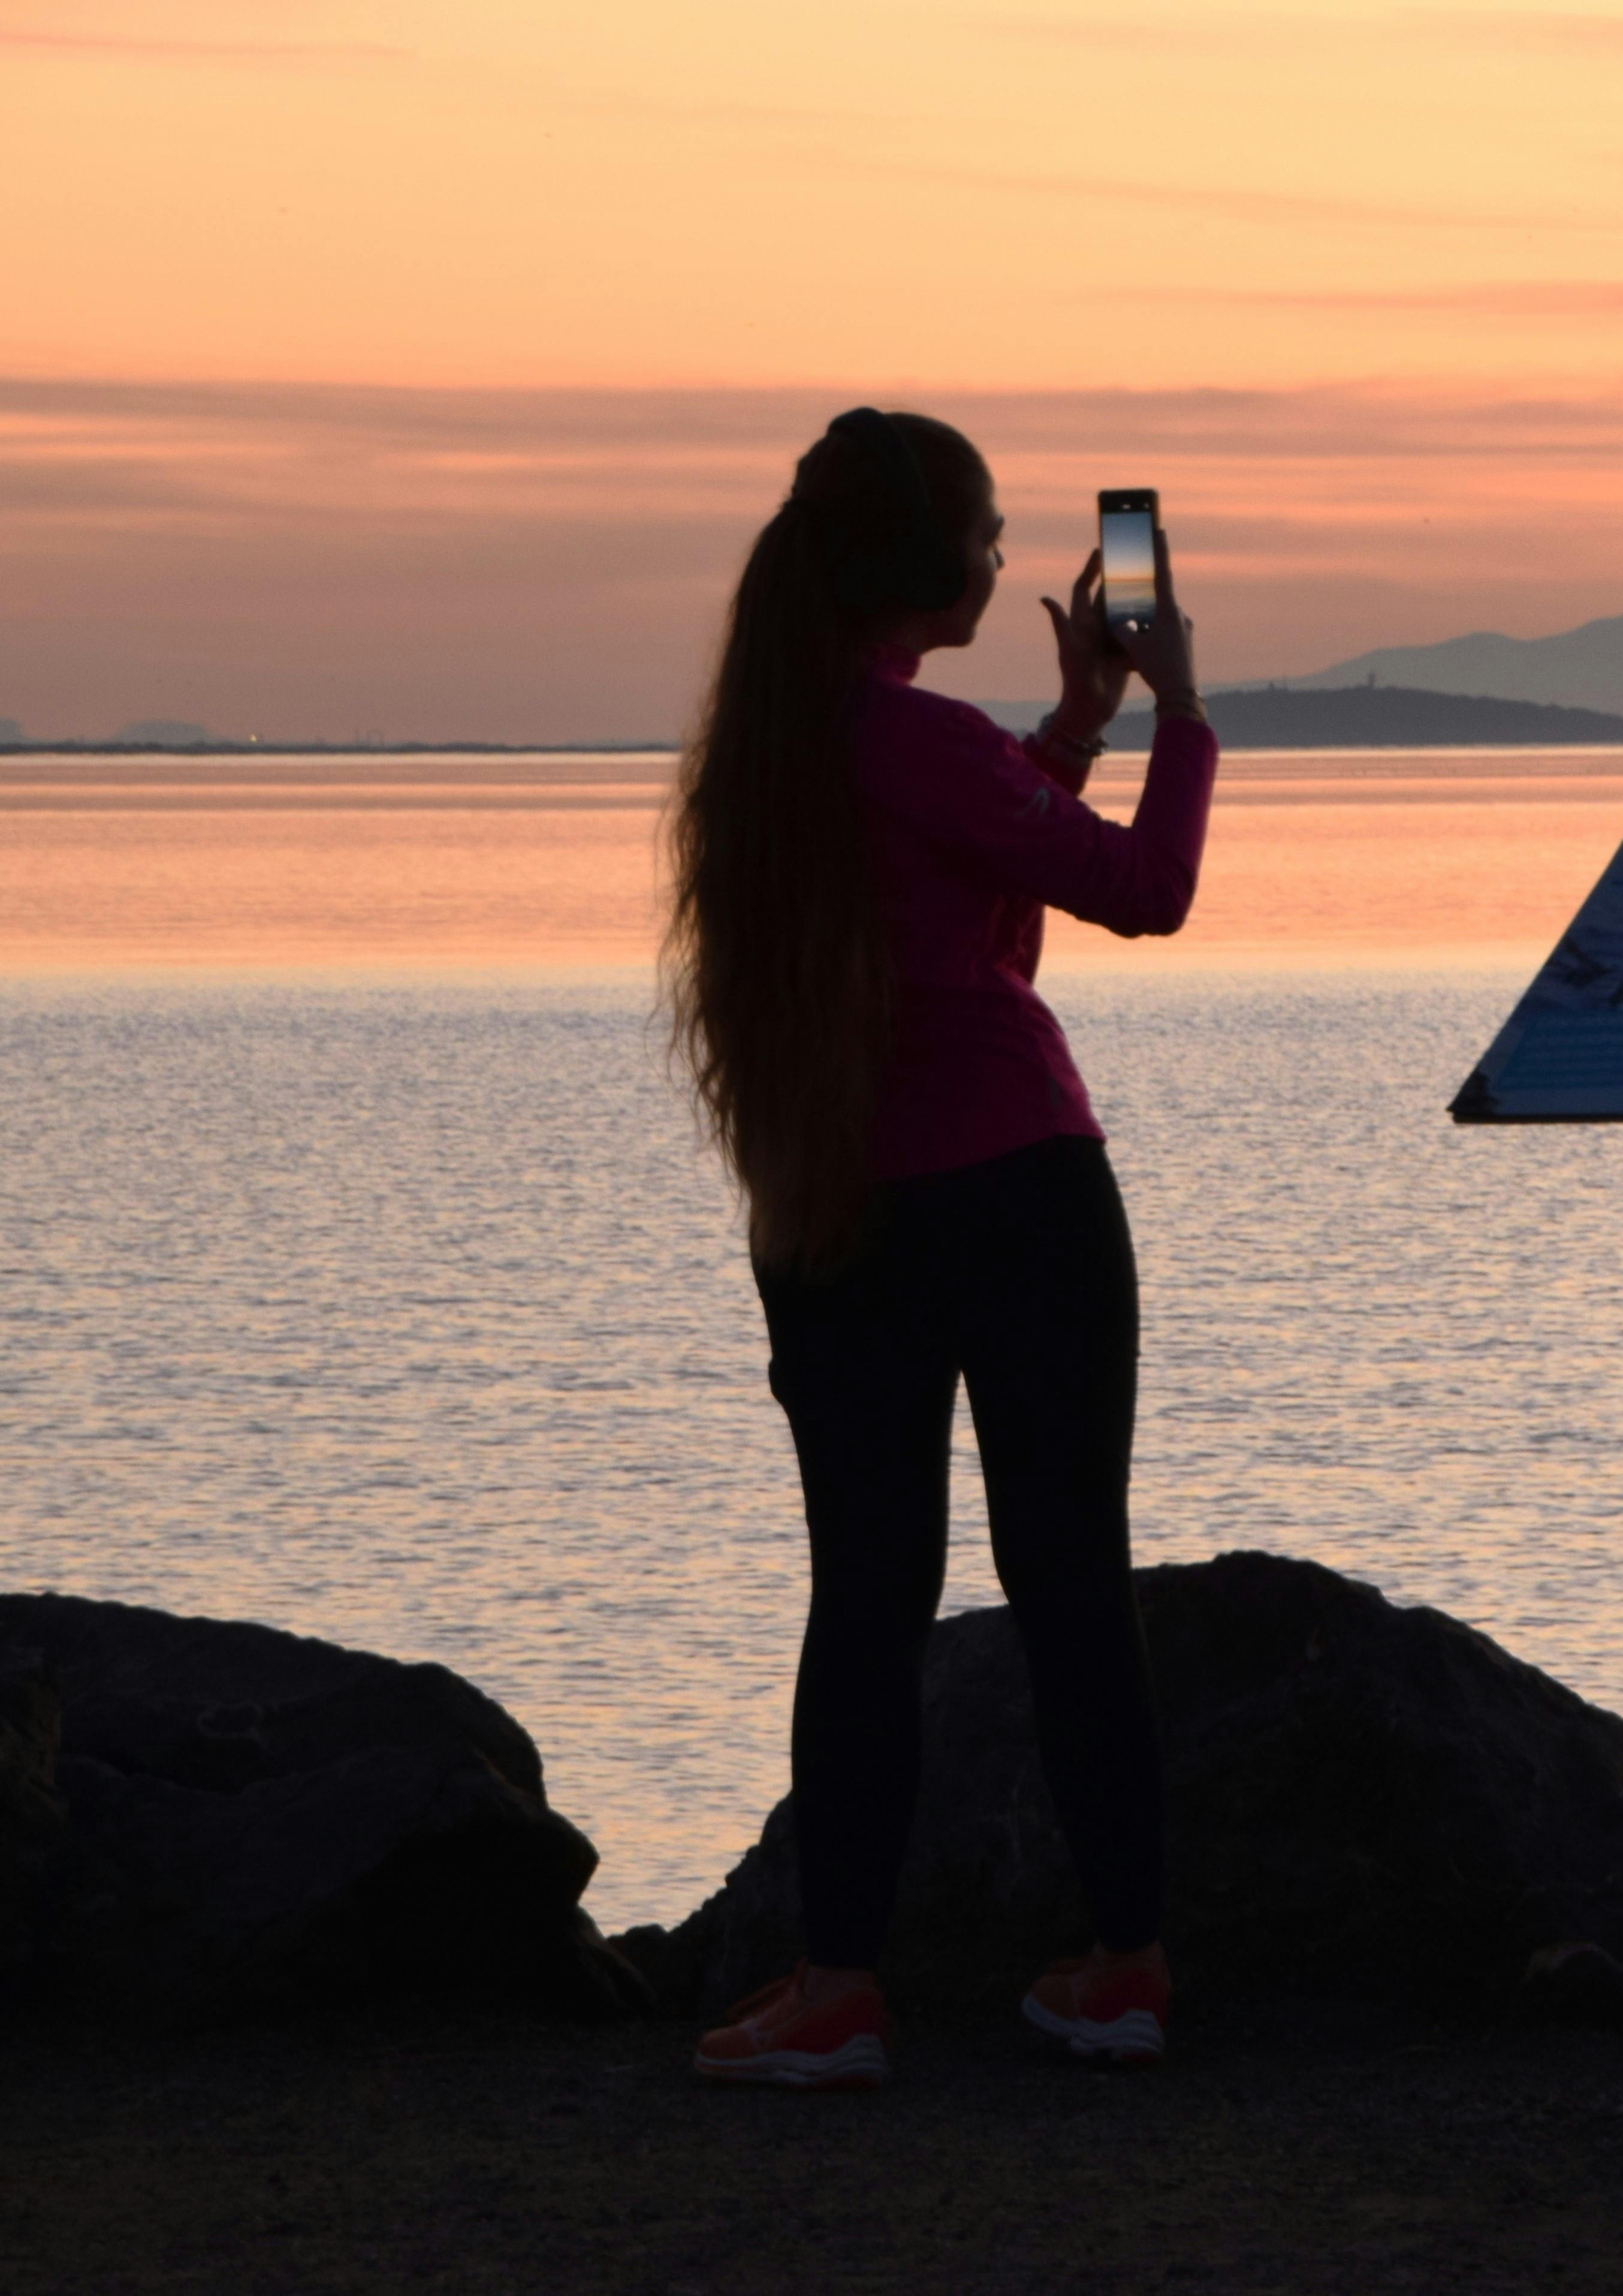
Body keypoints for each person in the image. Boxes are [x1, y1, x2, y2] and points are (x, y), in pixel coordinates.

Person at [663, 408, 1213, 2089]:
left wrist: (1067, 724)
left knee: (867, 1597)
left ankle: (841, 1984)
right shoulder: (911, 738)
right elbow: (1146, 893)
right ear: (924, 567)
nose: (1001, 560)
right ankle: (1127, 1966)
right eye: (985, 536)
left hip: (839, 1206)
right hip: (1022, 1194)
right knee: (1067, 1582)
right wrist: (1178, 711)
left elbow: (956, 865)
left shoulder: (778, 743)